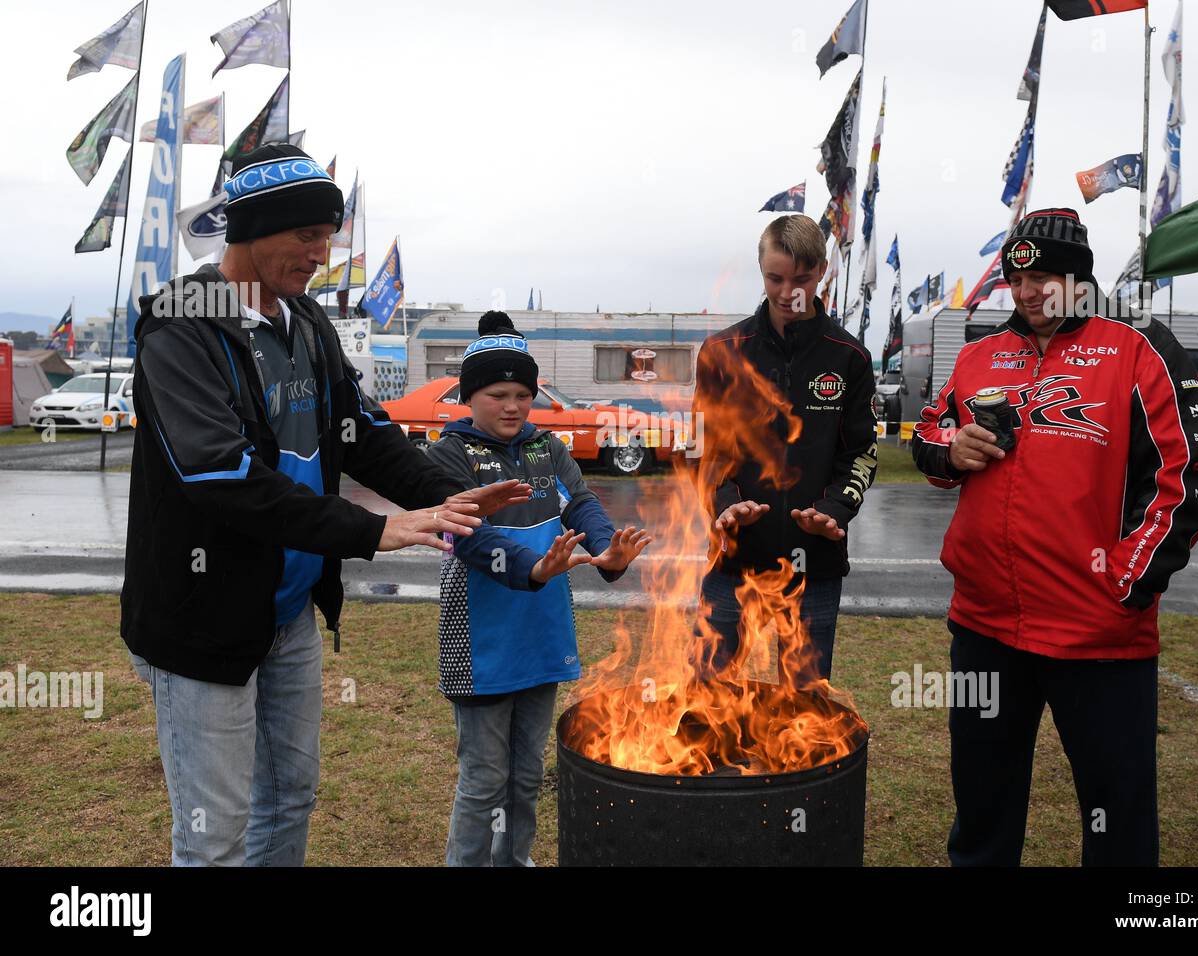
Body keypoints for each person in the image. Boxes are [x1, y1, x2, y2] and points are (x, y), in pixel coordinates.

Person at [122, 144, 529, 866]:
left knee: (288, 801)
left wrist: (448, 496)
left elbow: (364, 433)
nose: (321, 253)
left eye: (328, 235)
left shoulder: (303, 321)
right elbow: (220, 475)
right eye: (307, 234)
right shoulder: (180, 323)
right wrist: (372, 531)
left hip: (289, 617)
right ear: (249, 230)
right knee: (214, 836)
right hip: (202, 619)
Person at [911, 207, 1198, 866]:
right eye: (1015, 281)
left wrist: (1124, 586)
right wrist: (950, 449)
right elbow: (928, 429)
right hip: (985, 627)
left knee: (1117, 821)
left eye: (1043, 278)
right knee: (982, 811)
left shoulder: (1138, 345)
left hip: (1099, 636)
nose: (1026, 294)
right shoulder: (978, 354)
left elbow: (1190, 470)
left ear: (1078, 277)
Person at [424, 311, 651, 867]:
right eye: (498, 393)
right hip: (481, 644)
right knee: (483, 778)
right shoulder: (449, 454)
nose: (513, 406)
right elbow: (469, 540)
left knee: (526, 777)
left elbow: (583, 505)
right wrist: (531, 569)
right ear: (468, 396)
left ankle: (513, 860)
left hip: (543, 637)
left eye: (523, 393)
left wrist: (606, 553)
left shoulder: (549, 449)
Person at [693, 214, 877, 686]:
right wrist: (727, 505)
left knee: (804, 711)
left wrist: (834, 510)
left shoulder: (849, 357)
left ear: (822, 273)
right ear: (761, 271)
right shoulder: (722, 351)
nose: (788, 292)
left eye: (801, 279)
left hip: (813, 565)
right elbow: (702, 449)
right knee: (707, 701)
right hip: (732, 560)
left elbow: (860, 452)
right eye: (775, 278)